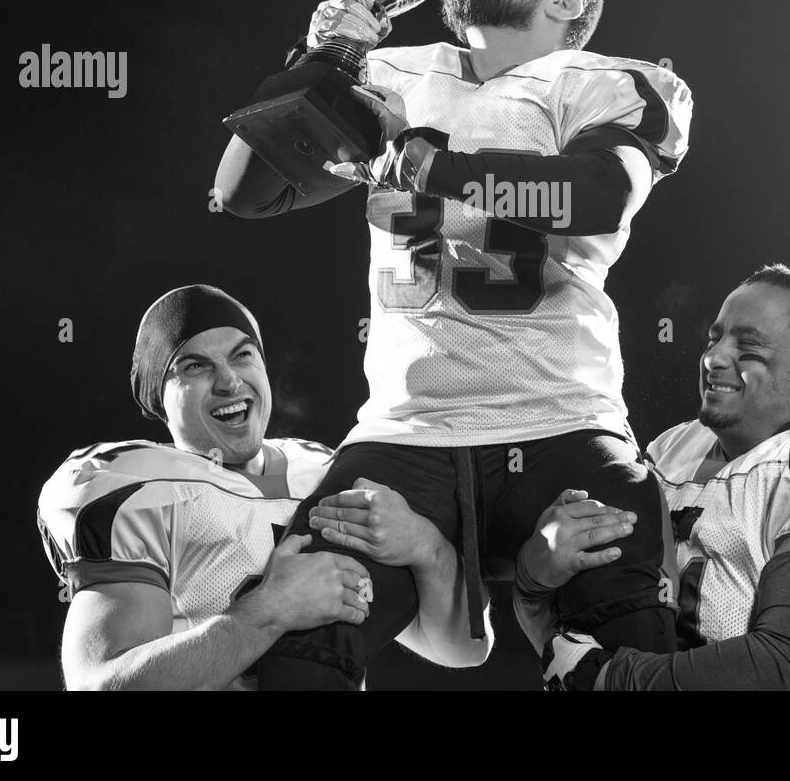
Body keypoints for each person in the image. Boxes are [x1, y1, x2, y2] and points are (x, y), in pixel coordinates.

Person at [216, 0, 693, 689]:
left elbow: (598, 195)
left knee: (626, 647)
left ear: (569, 4)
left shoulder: (605, 82)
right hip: (407, 433)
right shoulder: (390, 73)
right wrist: (322, 60)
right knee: (294, 638)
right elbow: (245, 193)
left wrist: (432, 165)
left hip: (563, 422)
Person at [36, 285, 489, 690]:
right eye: (194, 366)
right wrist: (269, 610)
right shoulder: (139, 489)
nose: (229, 380)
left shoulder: (326, 473)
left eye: (242, 354)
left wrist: (427, 548)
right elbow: (102, 685)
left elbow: (463, 649)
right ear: (159, 395)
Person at [522, 264, 790, 690]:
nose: (714, 357)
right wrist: (534, 581)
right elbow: (567, 654)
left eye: (749, 347)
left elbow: (786, 673)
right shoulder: (672, 451)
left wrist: (606, 679)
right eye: (715, 338)